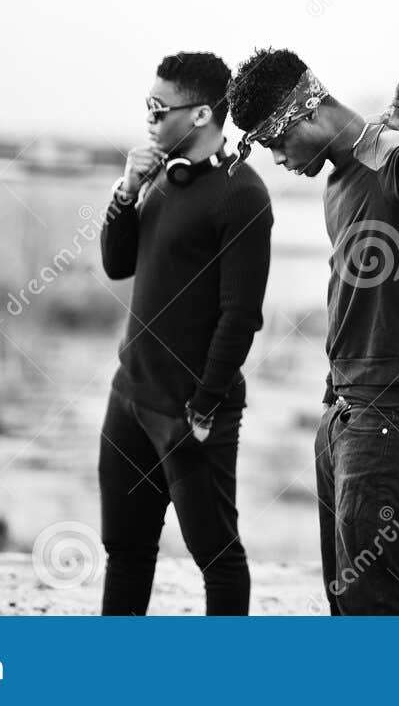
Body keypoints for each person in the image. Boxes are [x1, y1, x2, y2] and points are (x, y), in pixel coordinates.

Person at [226, 49, 399, 615]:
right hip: (347, 409)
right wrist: (333, 397)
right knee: (346, 598)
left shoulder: (384, 151)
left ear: (305, 113)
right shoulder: (336, 184)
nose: (278, 159)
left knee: (371, 604)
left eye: (275, 141)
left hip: (393, 408)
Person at [97, 51, 273, 615]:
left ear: (199, 114)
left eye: (158, 108)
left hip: (190, 413)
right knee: (126, 551)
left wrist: (205, 404)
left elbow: (240, 315)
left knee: (218, 559)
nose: (149, 119)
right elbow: (117, 264)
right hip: (130, 398)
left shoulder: (242, 194)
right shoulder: (160, 178)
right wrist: (126, 191)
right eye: (147, 107)